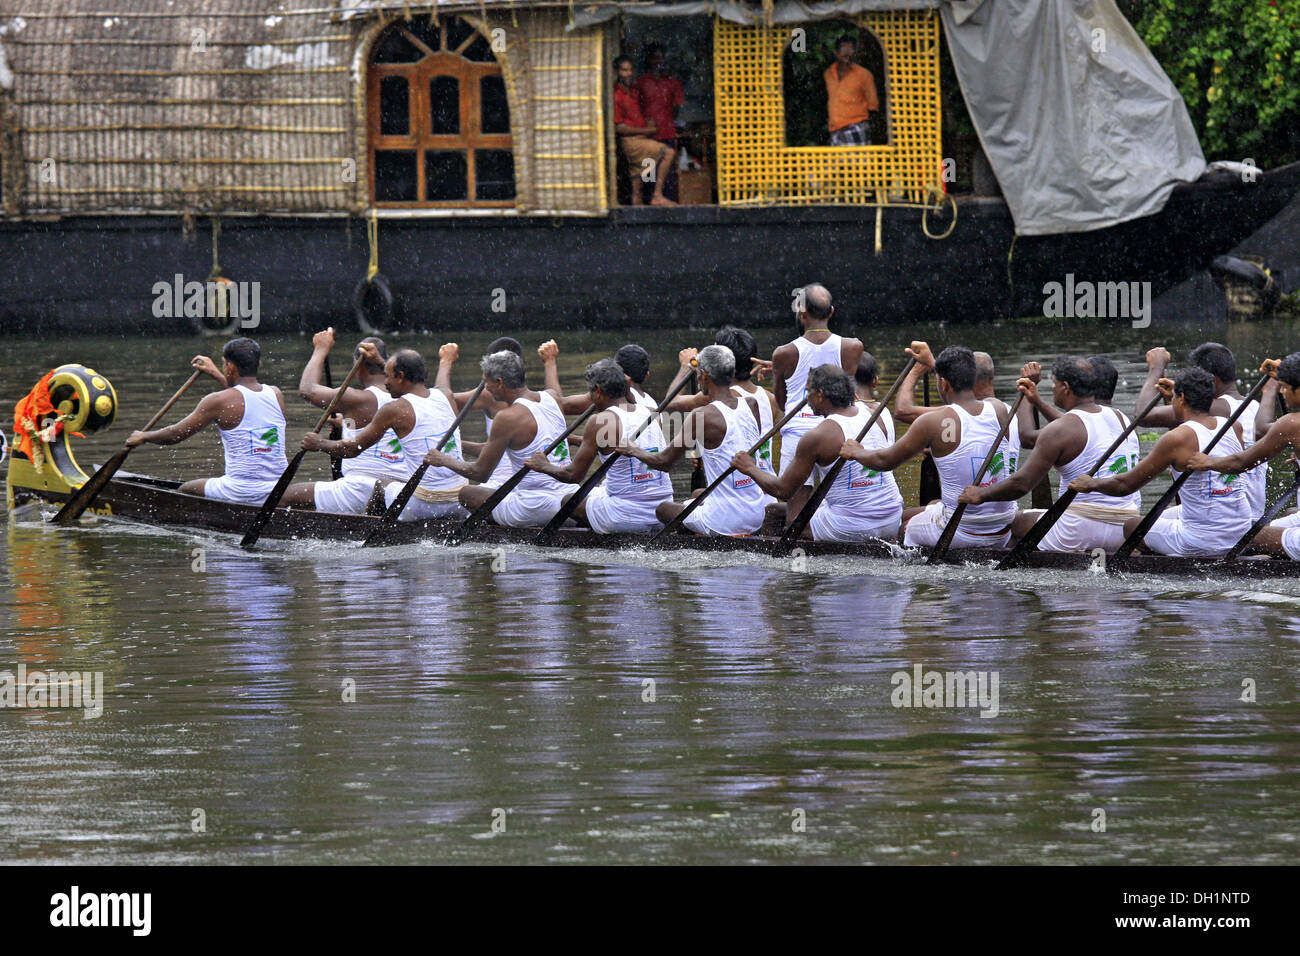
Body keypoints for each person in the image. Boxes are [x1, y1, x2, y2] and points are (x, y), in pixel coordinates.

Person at [839, 342, 1016, 549]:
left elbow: (884, 461)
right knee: (932, 506)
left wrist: (857, 452)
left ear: (943, 384)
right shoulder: (1001, 409)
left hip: (959, 532)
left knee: (901, 525)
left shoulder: (932, 422)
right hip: (1002, 529)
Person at [957, 356, 1141, 553]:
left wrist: (981, 494)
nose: (1052, 388)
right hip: (1126, 528)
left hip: (1078, 532)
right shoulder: (1122, 418)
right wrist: (1034, 400)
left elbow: (1021, 484)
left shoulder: (1060, 430)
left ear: (1065, 387)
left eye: (1053, 383)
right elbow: (1072, 427)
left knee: (1013, 521)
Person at [1070, 367, 1249, 557]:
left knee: (1132, 525)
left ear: (1181, 398)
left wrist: (1091, 484)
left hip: (1204, 542)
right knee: (1162, 515)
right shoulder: (1233, 426)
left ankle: (1162, 560)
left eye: (1174, 398)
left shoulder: (1177, 438)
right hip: (1242, 534)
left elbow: (1125, 485)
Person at [290, 344, 467, 519]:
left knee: (382, 486)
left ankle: (366, 532)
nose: (385, 382)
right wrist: (381, 361)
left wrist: (319, 443)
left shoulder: (395, 409)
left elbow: (352, 449)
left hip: (426, 504)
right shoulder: (445, 395)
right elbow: (416, 380)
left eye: (388, 376)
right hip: (460, 501)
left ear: (400, 376)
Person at [733, 364, 901, 541]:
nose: (807, 399)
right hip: (892, 518)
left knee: (784, 518)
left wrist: (749, 467)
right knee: (780, 510)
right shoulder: (875, 413)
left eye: (808, 392)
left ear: (820, 394)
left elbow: (783, 490)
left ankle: (781, 566)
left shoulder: (817, 436)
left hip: (853, 526)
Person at [619, 344, 766, 536]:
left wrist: (633, 449)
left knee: (663, 510)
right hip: (757, 513)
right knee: (697, 495)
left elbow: (664, 462)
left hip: (725, 522)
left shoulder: (702, 415)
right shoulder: (751, 404)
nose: (697, 380)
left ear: (704, 376)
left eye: (697, 375)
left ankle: (697, 537)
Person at [125, 338, 288, 504]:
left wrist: (143, 437)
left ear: (230, 367)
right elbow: (245, 399)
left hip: (241, 491)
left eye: (224, 365)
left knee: (185, 490)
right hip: (280, 489)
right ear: (258, 364)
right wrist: (216, 373)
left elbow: (175, 435)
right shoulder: (275, 394)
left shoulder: (217, 401)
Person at [422, 349, 573, 527]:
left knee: (467, 494)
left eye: (486, 382)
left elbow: (480, 473)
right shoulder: (553, 397)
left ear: (499, 383)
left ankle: (493, 528)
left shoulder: (507, 417)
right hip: (570, 499)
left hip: (535, 507)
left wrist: (444, 460)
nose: (485, 388)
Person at [525, 358, 672, 533]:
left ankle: (594, 532)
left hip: (625, 515)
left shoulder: (601, 421)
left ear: (598, 391)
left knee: (567, 501)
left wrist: (543, 466)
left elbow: (572, 476)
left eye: (590, 393)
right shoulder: (651, 413)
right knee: (596, 491)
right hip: (661, 508)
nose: (591, 398)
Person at [279, 329, 411, 514]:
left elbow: (307, 390)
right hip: (400, 492)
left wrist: (321, 349)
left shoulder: (356, 398)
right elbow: (377, 428)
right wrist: (347, 424)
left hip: (360, 490)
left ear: (359, 367)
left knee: (283, 497)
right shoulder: (409, 398)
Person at [1185, 354, 1300, 557]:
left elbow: (1243, 459)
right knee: (1291, 514)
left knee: (1244, 536)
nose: (1282, 391)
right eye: (1279, 386)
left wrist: (1208, 461)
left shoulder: (1293, 423)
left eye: (1284, 387)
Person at [1134, 343, 1264, 520]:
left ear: (1212, 380)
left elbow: (1144, 415)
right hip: (1251, 512)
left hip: (1224, 515)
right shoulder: (1255, 407)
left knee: (1138, 525)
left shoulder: (1219, 408)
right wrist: (1176, 399)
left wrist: (1157, 368)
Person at [770, 282, 864, 520]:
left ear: (801, 313)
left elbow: (781, 402)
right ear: (831, 312)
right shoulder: (853, 347)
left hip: (797, 434)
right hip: (836, 432)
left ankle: (800, 547)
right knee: (844, 497)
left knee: (795, 509)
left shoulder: (783, 353)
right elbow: (846, 393)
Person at [441, 335, 522, 488]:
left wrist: (446, 362)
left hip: (499, 483)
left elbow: (441, 401)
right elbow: (495, 448)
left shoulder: (488, 394)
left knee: (464, 494)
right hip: (527, 481)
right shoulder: (537, 396)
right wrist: (457, 444)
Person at [613, 55, 676, 207]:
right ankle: (657, 195)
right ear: (616, 72)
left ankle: (639, 206)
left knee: (640, 175)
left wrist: (647, 126)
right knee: (668, 153)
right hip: (633, 142)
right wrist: (647, 130)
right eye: (624, 70)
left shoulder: (633, 92)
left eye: (630, 70)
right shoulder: (617, 95)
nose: (628, 73)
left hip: (642, 140)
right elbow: (619, 127)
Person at [635, 44, 685, 201]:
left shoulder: (673, 82)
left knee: (667, 173)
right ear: (649, 60)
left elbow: (677, 106)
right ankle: (649, 199)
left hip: (667, 133)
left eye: (662, 58)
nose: (659, 61)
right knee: (648, 170)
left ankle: (665, 201)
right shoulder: (642, 82)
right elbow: (636, 107)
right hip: (648, 135)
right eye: (656, 57)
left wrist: (667, 119)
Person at [824, 35, 879, 147]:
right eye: (844, 49)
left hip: (856, 129)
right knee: (833, 164)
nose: (848, 53)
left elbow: (873, 105)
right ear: (836, 52)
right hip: (835, 131)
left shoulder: (864, 75)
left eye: (851, 49)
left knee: (858, 164)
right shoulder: (828, 74)